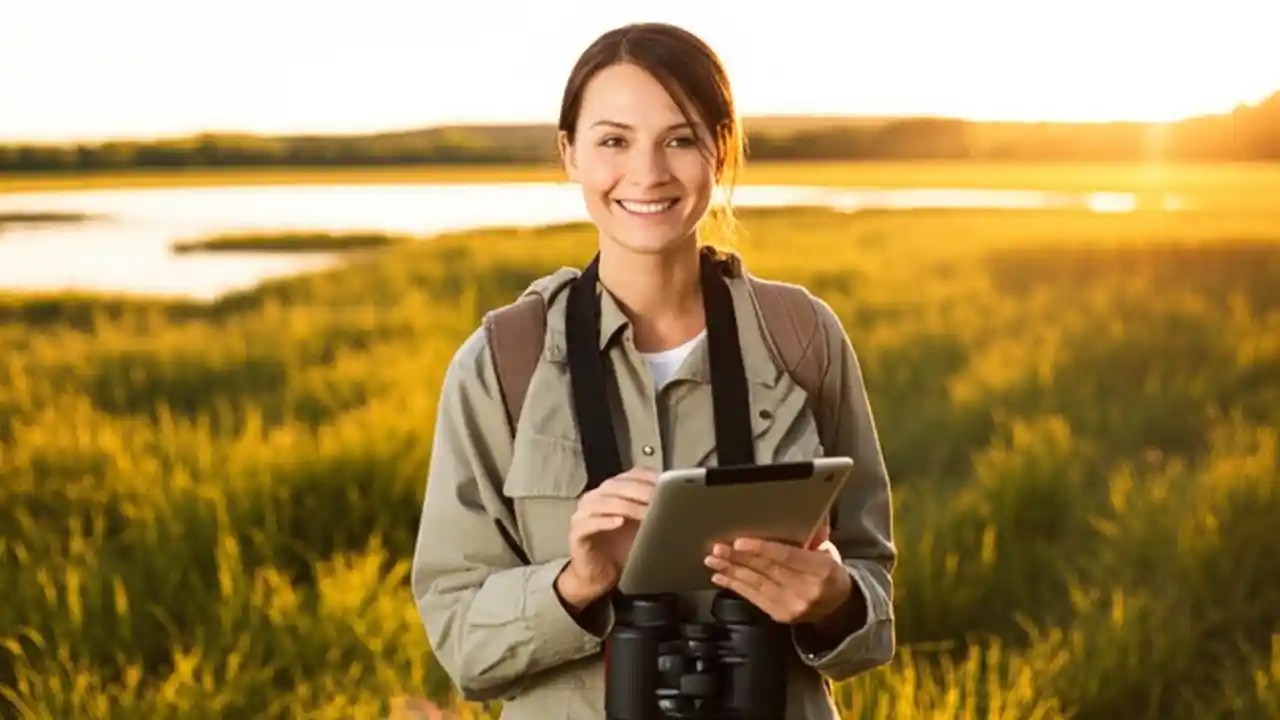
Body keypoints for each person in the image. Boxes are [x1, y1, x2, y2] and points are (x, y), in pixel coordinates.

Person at [410, 21, 896, 719]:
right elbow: (460, 644)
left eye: (681, 138)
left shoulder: (801, 337)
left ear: (721, 151)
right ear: (569, 153)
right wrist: (578, 583)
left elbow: (873, 598)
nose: (648, 173)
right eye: (613, 140)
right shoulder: (501, 364)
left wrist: (832, 600)